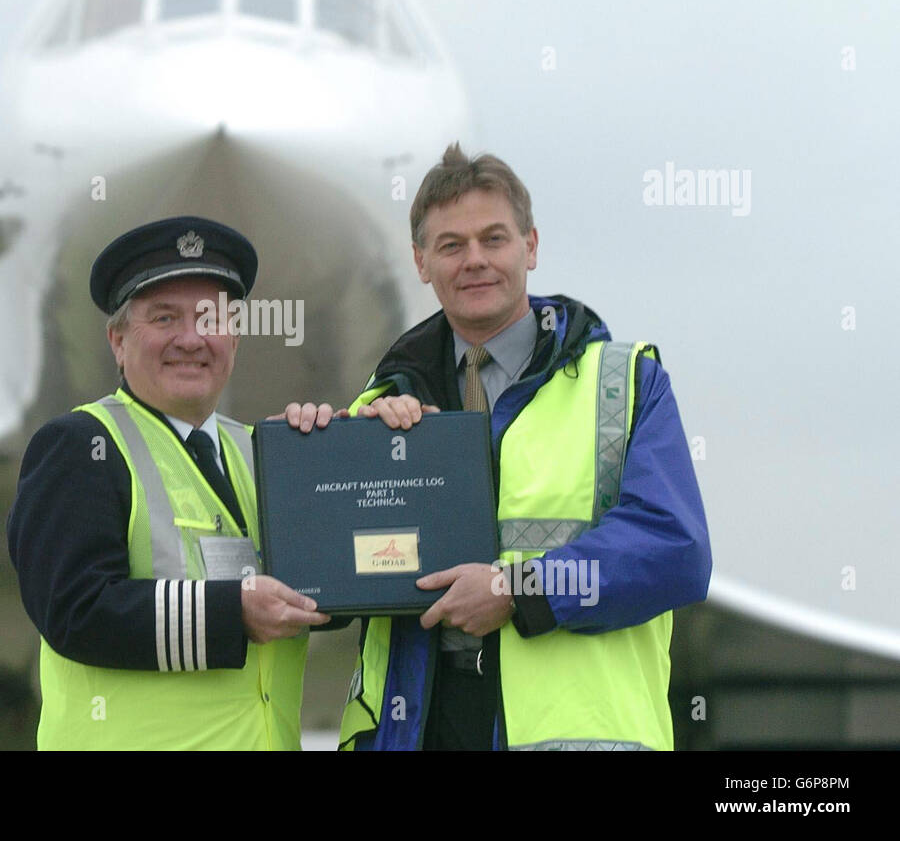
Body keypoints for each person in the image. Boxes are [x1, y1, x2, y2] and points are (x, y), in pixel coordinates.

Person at [285, 144, 711, 750]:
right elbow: (321, 587)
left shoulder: (625, 384)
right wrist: (313, 451)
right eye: (452, 245)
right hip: (420, 728)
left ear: (531, 246)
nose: (475, 261)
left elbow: (676, 551)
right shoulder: (378, 406)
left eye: (495, 239)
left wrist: (520, 591)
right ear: (421, 261)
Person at [6, 215, 329, 750]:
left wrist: (376, 442)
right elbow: (73, 610)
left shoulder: (265, 453)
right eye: (163, 318)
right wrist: (232, 612)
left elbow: (324, 589)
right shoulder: (82, 445)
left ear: (236, 336)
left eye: (210, 317)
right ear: (117, 340)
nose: (191, 338)